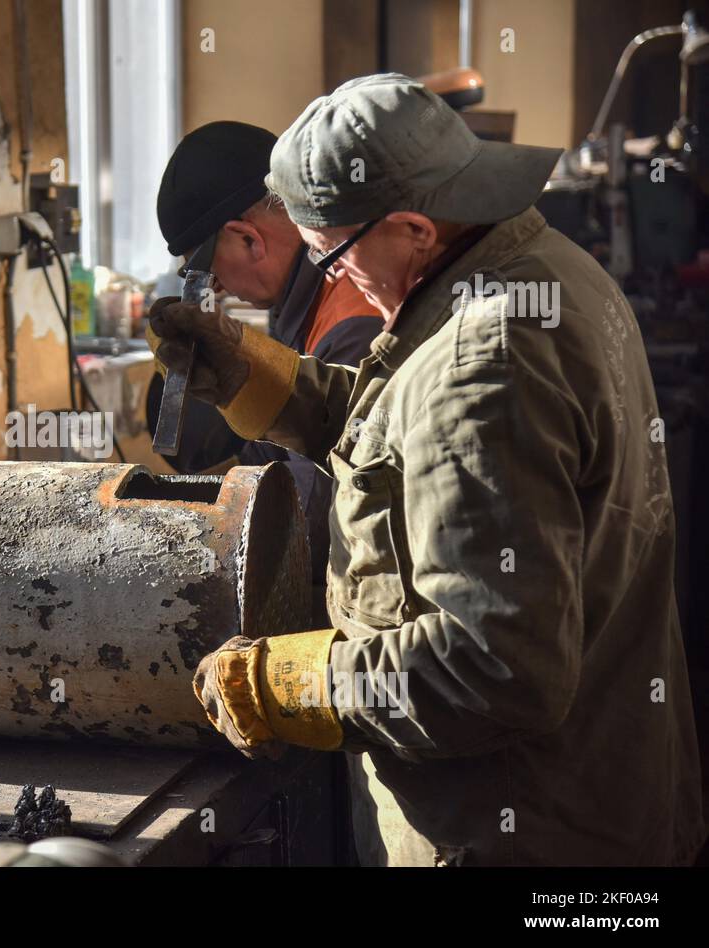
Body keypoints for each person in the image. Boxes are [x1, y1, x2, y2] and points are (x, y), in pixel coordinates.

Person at [149, 74, 704, 865]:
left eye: (330, 255)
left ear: (411, 226)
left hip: (520, 829)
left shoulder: (486, 364)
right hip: (601, 792)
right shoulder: (531, 267)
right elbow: (406, 433)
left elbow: (494, 669)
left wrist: (288, 682)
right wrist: (256, 377)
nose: (332, 278)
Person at [149, 121, 381, 622]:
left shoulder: (349, 326)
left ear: (248, 239)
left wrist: (194, 538)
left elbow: (312, 521)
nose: (224, 293)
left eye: (213, 276)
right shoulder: (312, 295)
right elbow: (276, 450)